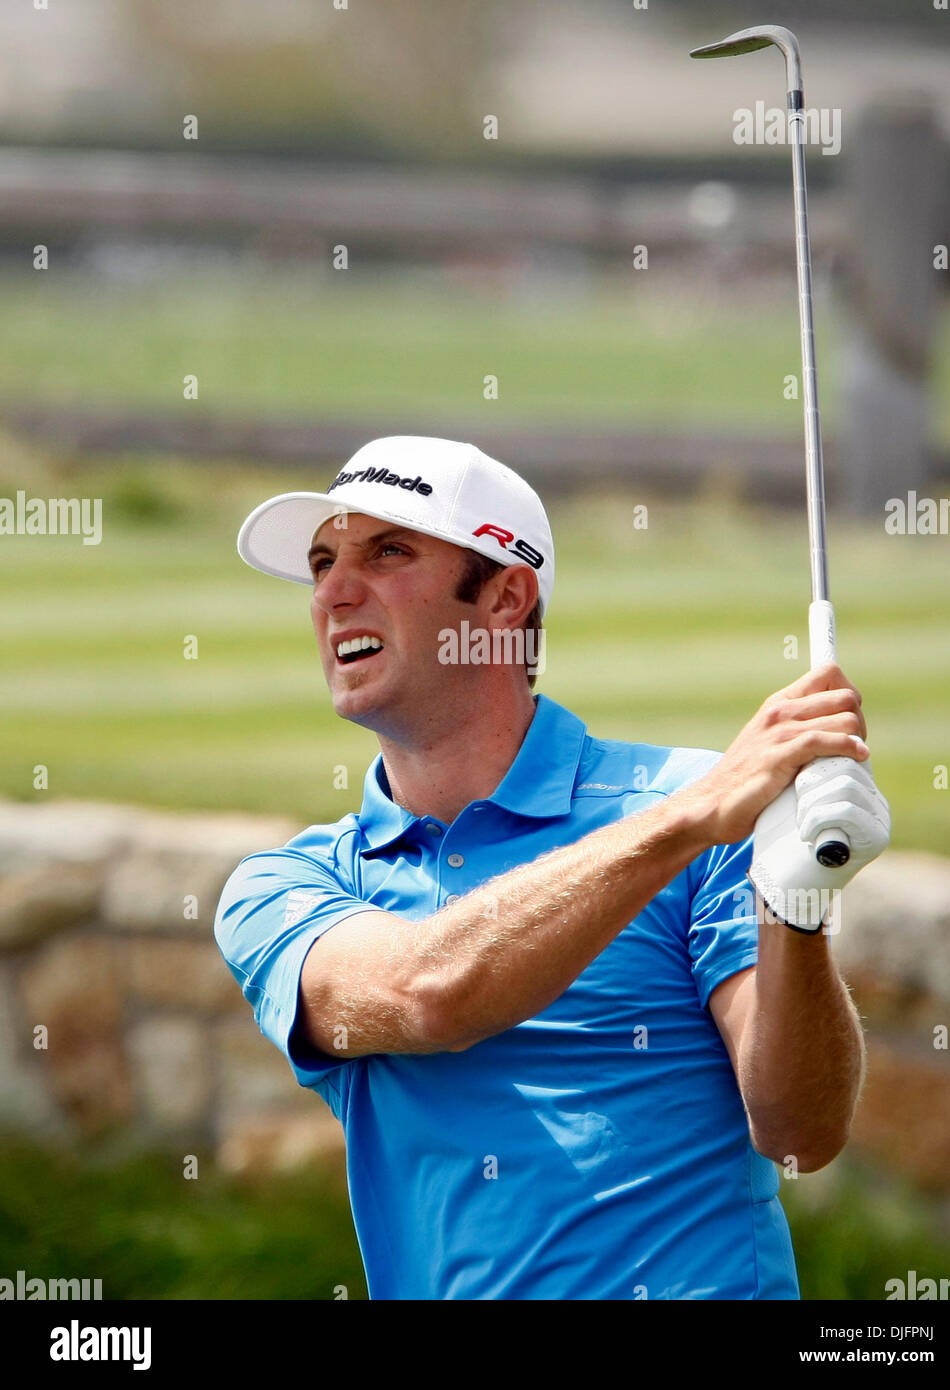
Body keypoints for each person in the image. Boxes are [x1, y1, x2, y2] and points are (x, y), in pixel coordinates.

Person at [214, 435, 890, 1301]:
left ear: (504, 598)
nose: (335, 592)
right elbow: (430, 994)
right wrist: (683, 822)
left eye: (387, 552)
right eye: (321, 563)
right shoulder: (286, 887)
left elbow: (802, 1133)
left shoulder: (702, 806)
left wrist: (795, 904)